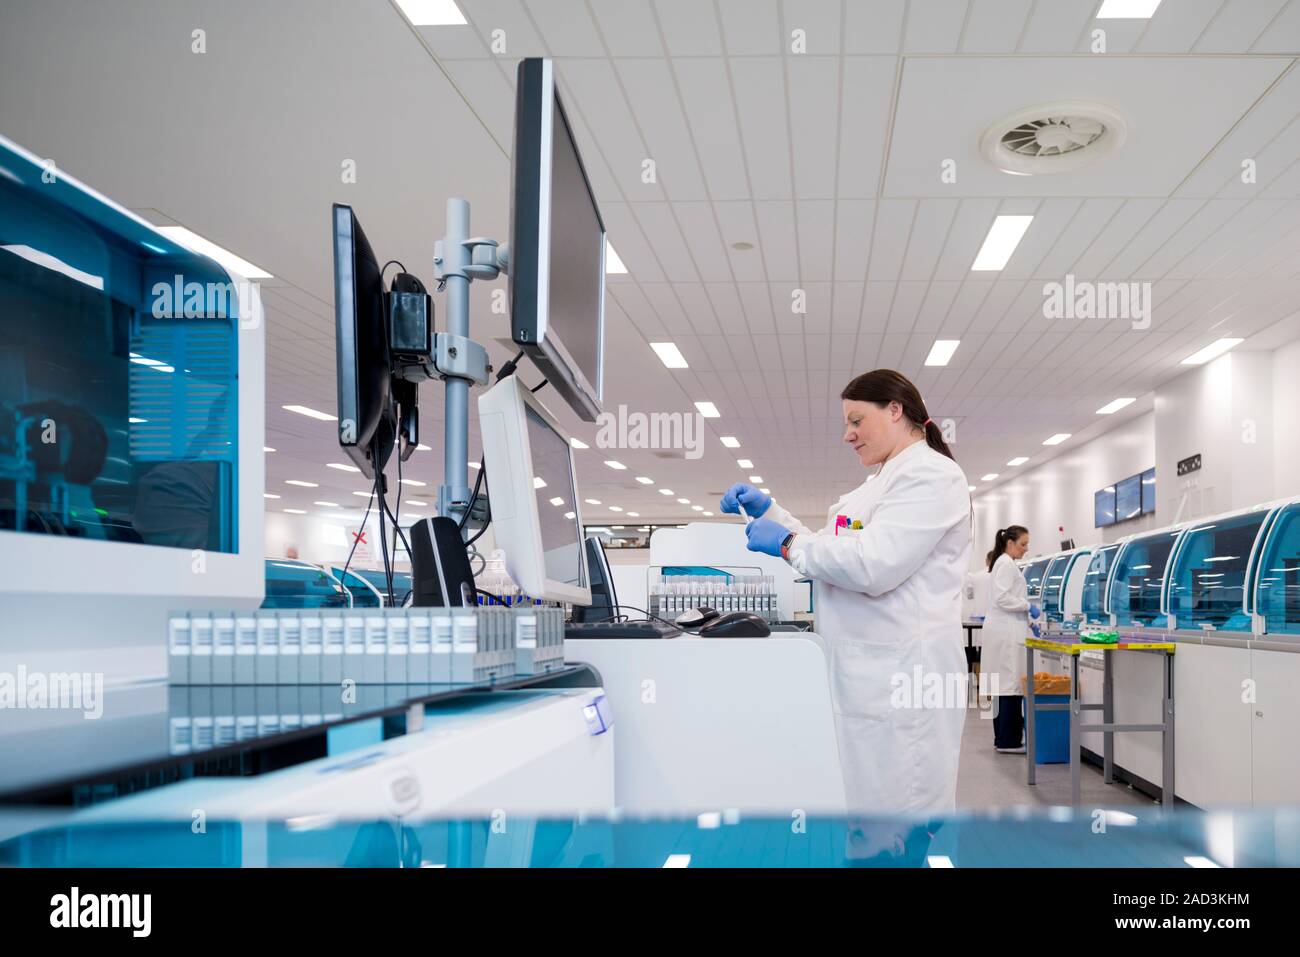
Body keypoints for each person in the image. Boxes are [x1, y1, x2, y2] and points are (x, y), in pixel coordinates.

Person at [721, 369, 972, 816]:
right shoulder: (882, 482)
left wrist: (787, 543)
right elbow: (836, 549)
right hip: (871, 676)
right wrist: (773, 514)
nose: (848, 435)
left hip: (903, 678)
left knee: (904, 815)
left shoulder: (931, 475)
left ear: (895, 410)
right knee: (869, 813)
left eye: (857, 421)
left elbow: (873, 564)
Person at [980, 525, 1038, 753]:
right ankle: (1009, 741)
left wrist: (1030, 621)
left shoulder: (1003, 562)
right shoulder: (1006, 564)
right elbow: (1003, 598)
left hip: (1002, 630)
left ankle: (1002, 738)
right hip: (1006, 633)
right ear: (1010, 543)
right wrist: (1027, 606)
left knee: (1001, 685)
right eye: (1023, 544)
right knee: (1010, 685)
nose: (1026, 548)